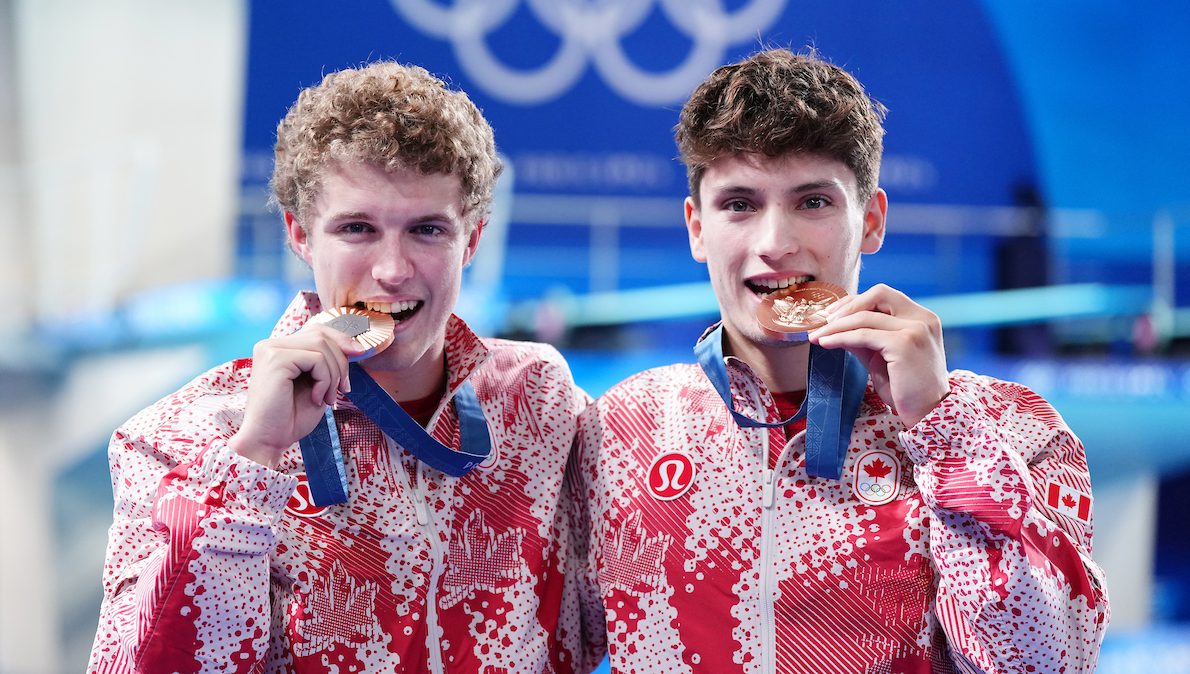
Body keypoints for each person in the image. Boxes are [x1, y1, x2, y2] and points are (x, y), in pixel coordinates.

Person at [573, 49, 1109, 673]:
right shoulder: (619, 432)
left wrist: (944, 430)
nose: (775, 244)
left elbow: (1047, 663)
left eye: (813, 203)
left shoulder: (1014, 428)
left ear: (872, 220)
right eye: (739, 204)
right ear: (697, 228)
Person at [89, 62, 599, 673]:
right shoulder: (179, 438)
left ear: (473, 239)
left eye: (427, 230)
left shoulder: (539, 401)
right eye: (357, 228)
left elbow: (627, 606)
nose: (391, 270)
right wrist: (252, 460)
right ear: (300, 234)